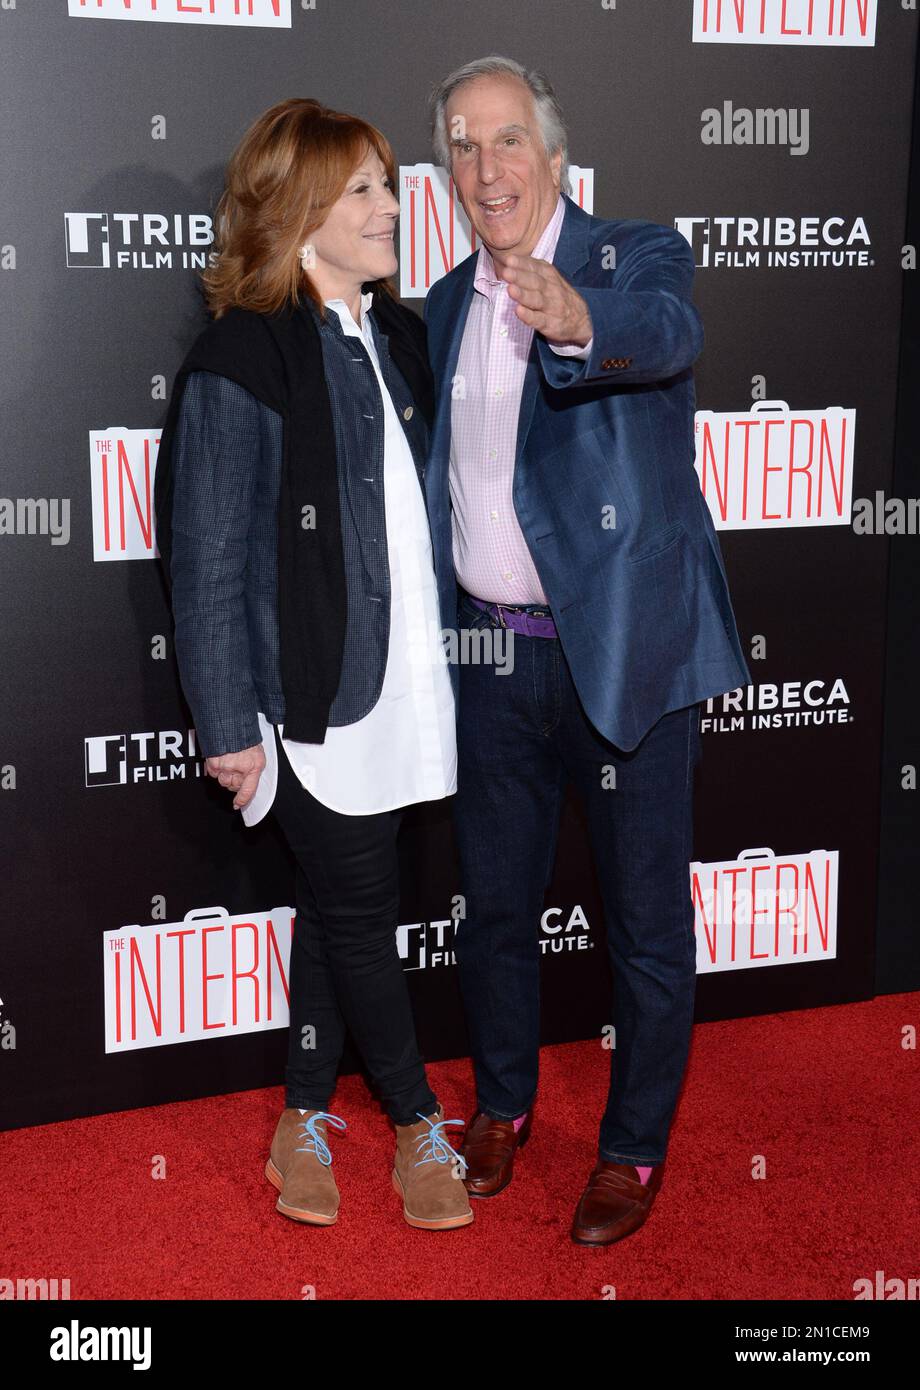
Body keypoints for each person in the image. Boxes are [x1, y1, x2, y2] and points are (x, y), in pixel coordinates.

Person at [422, 56, 752, 1245]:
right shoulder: (449, 300)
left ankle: (631, 1147)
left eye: (507, 140)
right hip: (492, 663)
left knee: (646, 925)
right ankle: (502, 1103)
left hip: (622, 656)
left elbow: (663, 332)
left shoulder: (635, 255)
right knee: (496, 904)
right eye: (461, 144)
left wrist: (575, 317)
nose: (485, 166)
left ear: (554, 156)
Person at [153, 98, 472, 1233]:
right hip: (306, 700)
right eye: (364, 192)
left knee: (345, 911)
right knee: (356, 905)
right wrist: (228, 721)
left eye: (389, 186)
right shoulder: (241, 353)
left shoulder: (400, 336)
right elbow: (206, 557)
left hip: (401, 685)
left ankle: (300, 1111)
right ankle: (415, 1116)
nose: (393, 206)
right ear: (297, 210)